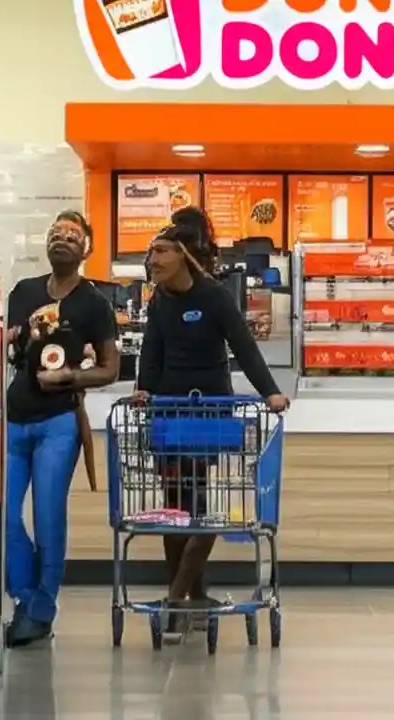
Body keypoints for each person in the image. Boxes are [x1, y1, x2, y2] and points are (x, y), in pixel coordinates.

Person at [133, 206, 289, 637]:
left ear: (183, 254)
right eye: (151, 254)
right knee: (173, 505)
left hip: (208, 409)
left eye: (160, 252)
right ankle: (191, 597)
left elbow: (244, 348)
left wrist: (269, 392)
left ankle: (177, 598)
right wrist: (144, 390)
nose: (153, 262)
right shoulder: (161, 300)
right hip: (167, 409)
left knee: (197, 504)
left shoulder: (213, 297)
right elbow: (152, 353)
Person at [4, 210, 119, 646]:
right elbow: (10, 349)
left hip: (59, 422)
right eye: (56, 232)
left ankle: (41, 609)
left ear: (86, 248)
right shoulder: (23, 292)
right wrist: (16, 338)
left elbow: (109, 369)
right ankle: (24, 596)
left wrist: (69, 377)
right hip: (14, 420)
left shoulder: (94, 303)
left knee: (49, 515)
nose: (62, 238)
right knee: (5, 515)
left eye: (72, 235)